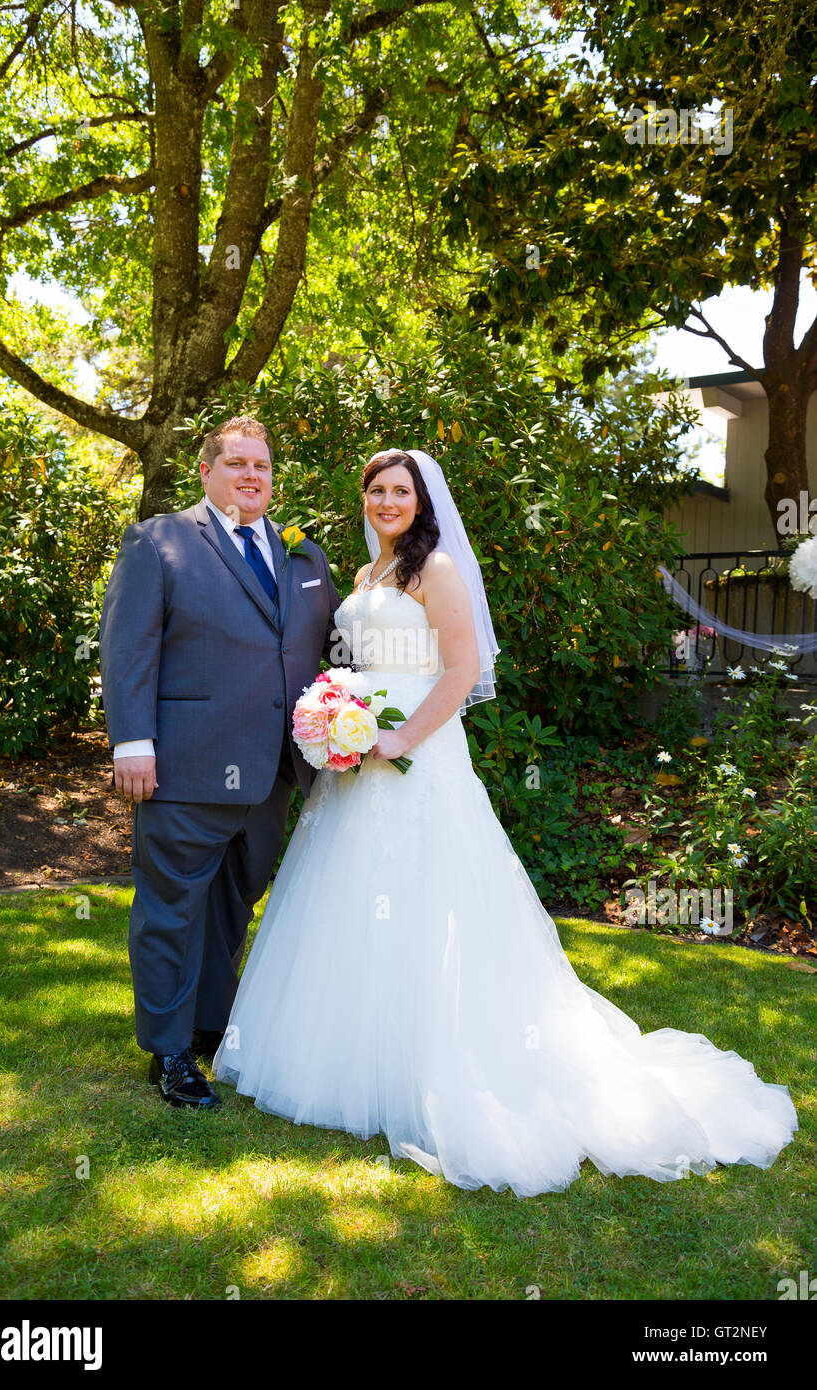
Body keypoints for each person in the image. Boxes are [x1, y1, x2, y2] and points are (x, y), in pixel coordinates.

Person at [212, 447, 799, 1197]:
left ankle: (439, 1061)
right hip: (356, 764)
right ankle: (347, 1055)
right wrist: (340, 721)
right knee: (345, 899)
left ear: (421, 503)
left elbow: (459, 672)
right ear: (363, 499)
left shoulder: (437, 573)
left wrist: (395, 738)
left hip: (419, 756)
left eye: (402, 490)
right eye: (377, 489)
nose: (388, 500)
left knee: (431, 903)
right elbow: (348, 666)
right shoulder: (362, 578)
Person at [99, 416, 341, 1109]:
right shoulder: (161, 541)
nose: (250, 476)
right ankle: (168, 1053)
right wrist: (132, 743)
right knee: (171, 910)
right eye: (236, 463)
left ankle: (208, 1024)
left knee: (234, 902)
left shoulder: (305, 556)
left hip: (272, 773)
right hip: (185, 768)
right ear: (206, 472)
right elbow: (129, 646)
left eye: (261, 466)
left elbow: (329, 650)